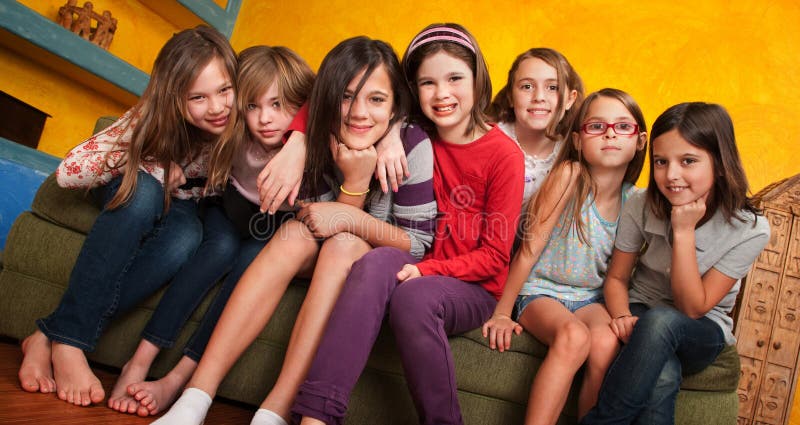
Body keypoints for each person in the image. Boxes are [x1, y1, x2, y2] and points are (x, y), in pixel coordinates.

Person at [153, 35, 437, 425]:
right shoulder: (308, 143)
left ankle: (275, 411)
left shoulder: (412, 145)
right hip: (327, 243)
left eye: (376, 100)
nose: (359, 113)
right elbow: (319, 225)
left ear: (393, 109)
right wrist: (347, 184)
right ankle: (195, 398)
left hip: (382, 262)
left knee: (344, 244)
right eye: (347, 96)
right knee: (294, 235)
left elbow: (418, 244)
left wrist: (353, 198)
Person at [292, 23, 525, 425]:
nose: (442, 93)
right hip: (409, 261)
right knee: (375, 261)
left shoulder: (505, 155)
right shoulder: (413, 134)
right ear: (414, 91)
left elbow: (493, 257)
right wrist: (389, 135)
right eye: (427, 83)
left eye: (455, 78)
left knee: (413, 297)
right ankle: (317, 417)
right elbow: (331, 98)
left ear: (477, 78)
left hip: (471, 286)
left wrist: (426, 270)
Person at [17, 25, 237, 407]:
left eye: (224, 90)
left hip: (179, 207)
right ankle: (70, 341)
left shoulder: (237, 130)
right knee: (142, 194)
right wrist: (148, 157)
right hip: (135, 187)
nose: (216, 107)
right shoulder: (146, 120)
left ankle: (48, 336)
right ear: (173, 99)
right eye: (197, 98)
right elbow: (69, 174)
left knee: (187, 237)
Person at [108, 45, 315, 417]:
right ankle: (139, 361)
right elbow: (180, 117)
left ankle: (180, 379)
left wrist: (299, 138)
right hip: (230, 207)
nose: (265, 119)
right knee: (216, 251)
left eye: (279, 105)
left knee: (250, 271)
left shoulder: (310, 140)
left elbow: (328, 95)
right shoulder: (231, 132)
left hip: (276, 224)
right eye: (253, 106)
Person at [581, 102, 770, 424]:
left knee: (663, 321)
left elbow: (692, 308)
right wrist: (623, 315)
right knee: (663, 374)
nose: (671, 175)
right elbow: (616, 279)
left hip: (702, 328)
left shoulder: (750, 229)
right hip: (643, 309)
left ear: (721, 164)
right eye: (661, 162)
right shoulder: (641, 203)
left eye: (688, 161)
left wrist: (683, 232)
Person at [482, 88, 648, 424]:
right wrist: (502, 311)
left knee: (604, 343)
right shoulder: (569, 177)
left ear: (640, 141)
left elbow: (620, 275)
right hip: (542, 292)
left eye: (622, 127)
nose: (610, 134)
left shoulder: (637, 201)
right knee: (574, 337)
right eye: (597, 127)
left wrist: (619, 316)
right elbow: (528, 250)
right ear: (576, 140)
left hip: (591, 300)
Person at [489, 47, 583, 204]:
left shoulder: (573, 152)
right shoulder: (488, 140)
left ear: (570, 99)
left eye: (552, 87)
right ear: (511, 96)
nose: (539, 97)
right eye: (527, 86)